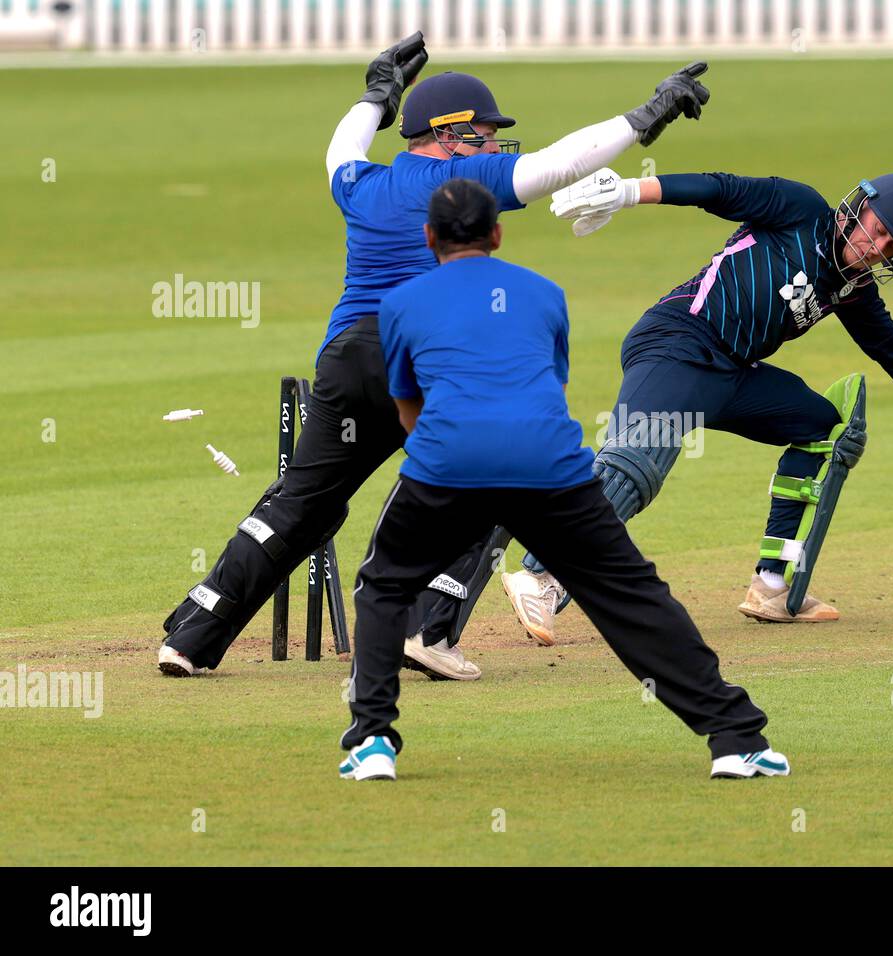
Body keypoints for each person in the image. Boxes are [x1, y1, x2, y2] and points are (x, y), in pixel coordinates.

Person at [156, 31, 713, 681]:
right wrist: (643, 117)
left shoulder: (365, 185)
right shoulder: (459, 180)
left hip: (345, 357)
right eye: (483, 130)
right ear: (448, 133)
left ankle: (193, 635)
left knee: (301, 503)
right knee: (498, 472)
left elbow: (340, 149)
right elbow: (561, 163)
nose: (492, 142)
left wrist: (374, 95)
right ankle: (427, 628)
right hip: (420, 356)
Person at [339, 179, 787, 782]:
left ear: (428, 238)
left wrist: (448, 464)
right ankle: (736, 740)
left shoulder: (399, 304)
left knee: (384, 585)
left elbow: (408, 408)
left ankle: (372, 744)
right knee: (629, 595)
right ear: (497, 234)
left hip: (449, 462)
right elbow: (548, 386)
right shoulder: (544, 294)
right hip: (548, 464)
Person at [474, 167, 893, 643]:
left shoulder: (852, 290)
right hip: (676, 341)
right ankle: (539, 575)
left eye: (890, 246)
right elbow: (718, 190)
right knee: (636, 467)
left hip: (730, 375)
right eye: (876, 227)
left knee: (821, 426)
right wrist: (633, 191)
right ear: (857, 208)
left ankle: (771, 584)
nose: (875, 246)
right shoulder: (801, 209)